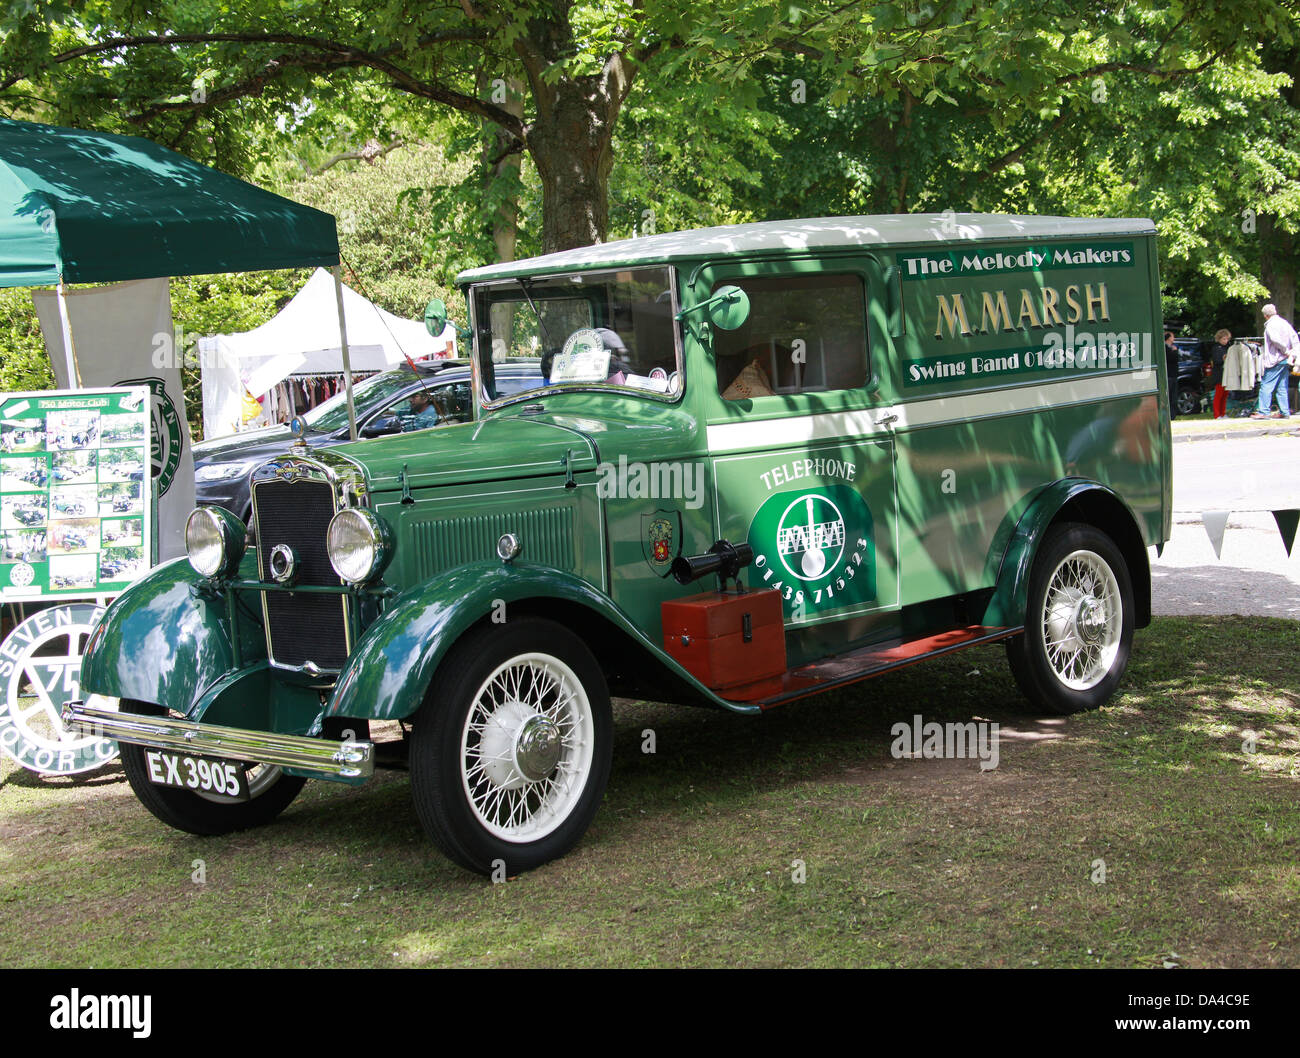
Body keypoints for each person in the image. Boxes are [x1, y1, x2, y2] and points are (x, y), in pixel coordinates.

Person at [1253, 303, 1299, 419]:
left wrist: (1286, 350)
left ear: (1265, 315)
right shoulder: (1284, 323)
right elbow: (1294, 338)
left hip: (1275, 359)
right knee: (1282, 386)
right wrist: (1293, 353)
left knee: (1266, 385)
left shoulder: (1270, 325)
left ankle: (1264, 411)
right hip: (1285, 360)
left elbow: (1275, 340)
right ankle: (1284, 412)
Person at [1211, 328, 1231, 418]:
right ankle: (1217, 414)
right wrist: (1223, 359)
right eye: (1224, 339)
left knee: (1225, 395)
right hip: (1219, 374)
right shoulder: (1216, 348)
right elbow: (1216, 361)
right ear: (1219, 339)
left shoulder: (1227, 347)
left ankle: (1223, 413)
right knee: (1218, 395)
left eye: (1227, 339)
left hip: (1226, 374)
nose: (1226, 341)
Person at [1164, 331, 1179, 418]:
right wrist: (1175, 352)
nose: (1174, 338)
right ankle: (1170, 414)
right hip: (1170, 374)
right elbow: (1172, 359)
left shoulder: (1170, 348)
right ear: (1169, 338)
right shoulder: (1165, 348)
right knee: (1170, 395)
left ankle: (1173, 414)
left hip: (1173, 374)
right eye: (1173, 337)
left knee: (1173, 395)